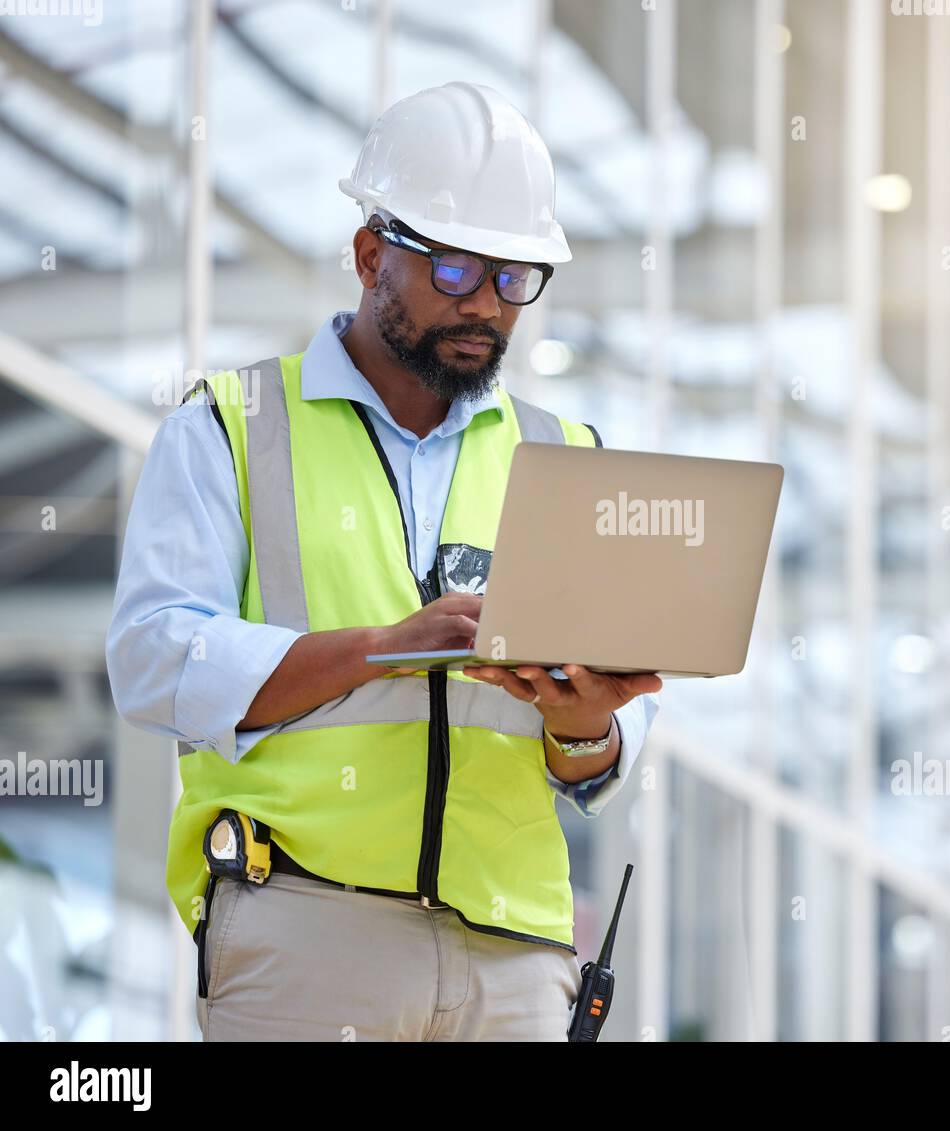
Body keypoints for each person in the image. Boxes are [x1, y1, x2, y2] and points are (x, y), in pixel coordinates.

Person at [106, 81, 662, 1041]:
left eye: (513, 278)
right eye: (454, 270)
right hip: (308, 929)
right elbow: (154, 659)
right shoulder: (231, 429)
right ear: (371, 255)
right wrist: (378, 650)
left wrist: (586, 728)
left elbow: (610, 743)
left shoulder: (567, 452)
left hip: (517, 954)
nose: (485, 305)